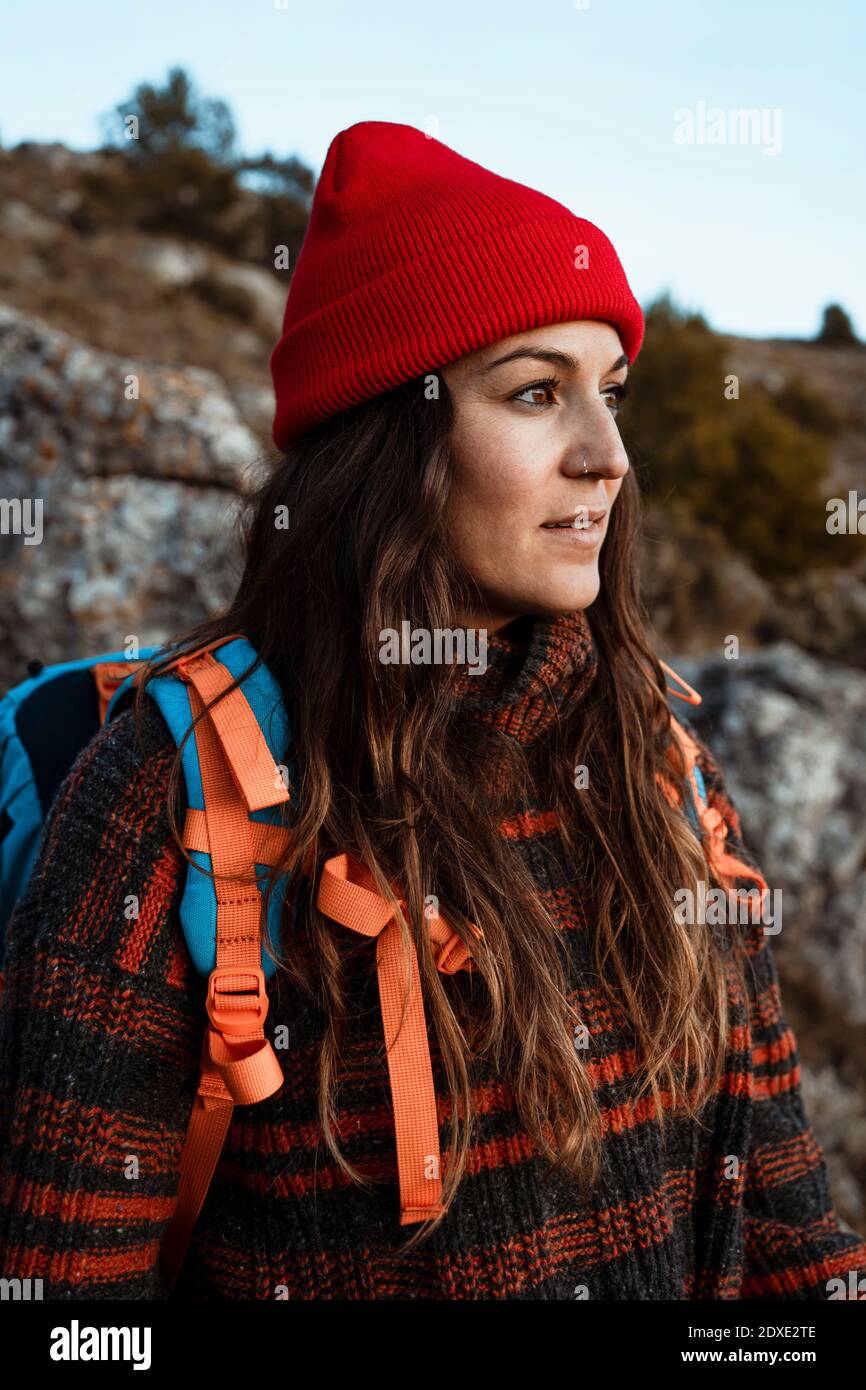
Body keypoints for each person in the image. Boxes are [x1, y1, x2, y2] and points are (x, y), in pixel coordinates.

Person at [1, 120, 864, 1301]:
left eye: (608, 393)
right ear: (387, 436)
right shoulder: (175, 791)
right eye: (533, 393)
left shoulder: (663, 770)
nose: (606, 454)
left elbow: (790, 1242)